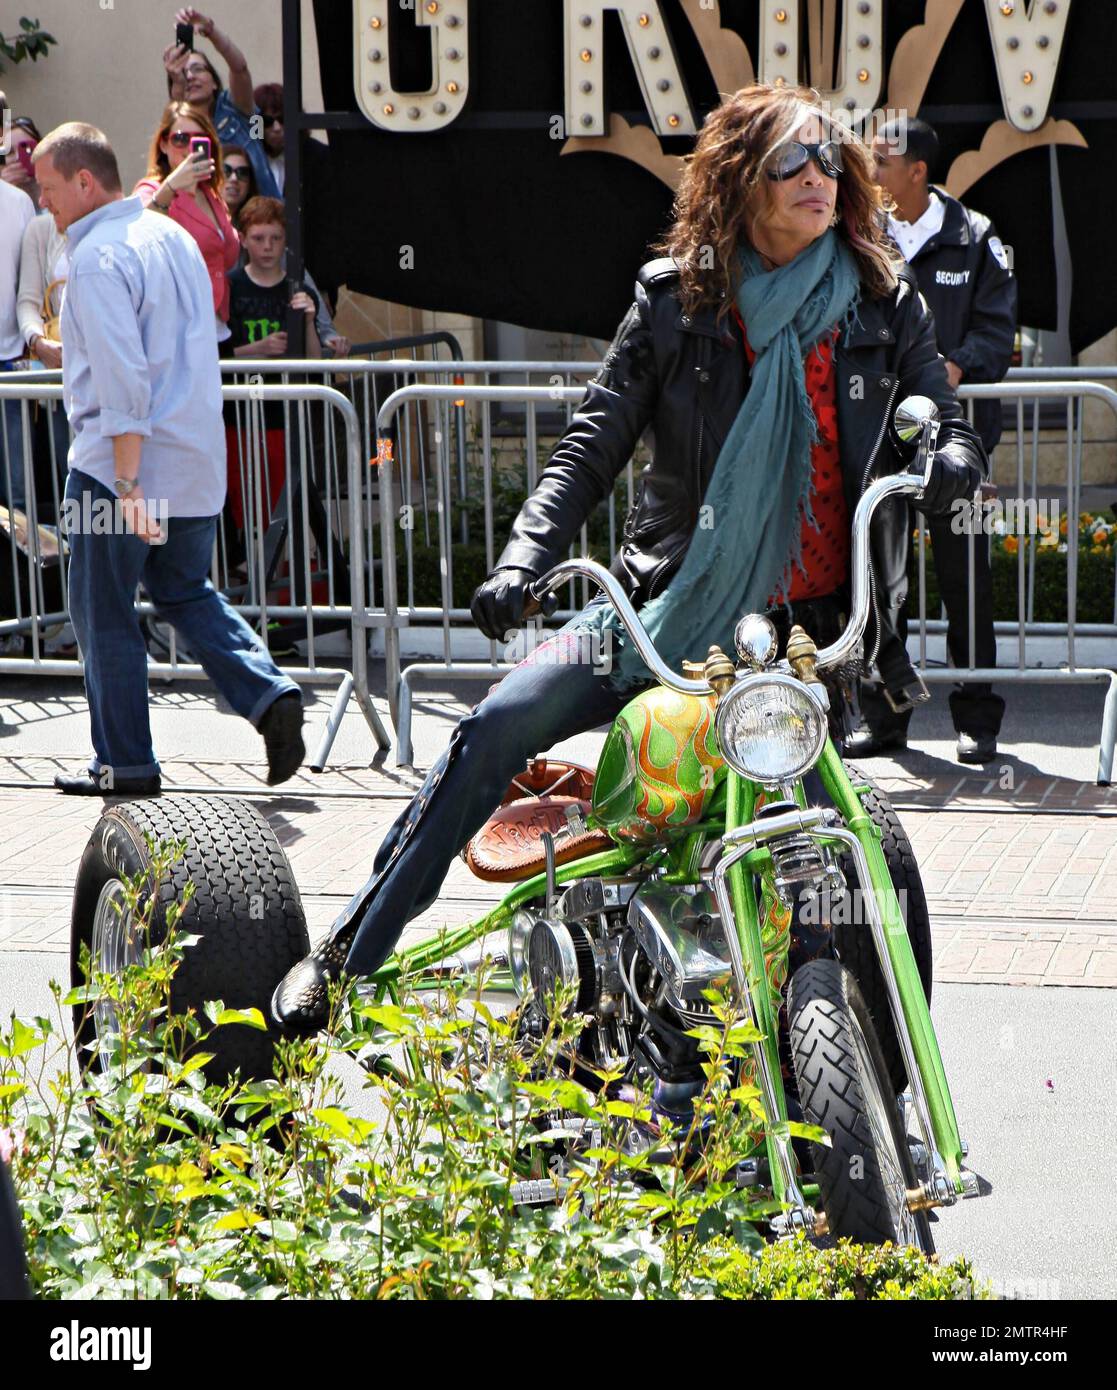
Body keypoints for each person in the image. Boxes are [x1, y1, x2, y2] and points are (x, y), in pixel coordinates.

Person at [270, 83, 986, 1035]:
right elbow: (591, 445)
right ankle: (348, 951)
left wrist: (945, 459)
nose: (816, 175)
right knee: (492, 728)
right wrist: (522, 560)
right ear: (740, 181)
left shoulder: (880, 300)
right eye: (790, 161)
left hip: (800, 648)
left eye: (827, 158)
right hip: (656, 614)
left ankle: (860, 1089)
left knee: (826, 861)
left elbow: (944, 417)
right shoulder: (674, 301)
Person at [32, 122, 306, 796]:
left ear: (85, 181)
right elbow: (187, 343)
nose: (45, 205)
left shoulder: (97, 257)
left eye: (48, 189)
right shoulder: (174, 237)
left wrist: (124, 480)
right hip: (192, 459)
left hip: (120, 471)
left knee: (104, 613)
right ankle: (268, 692)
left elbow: (126, 382)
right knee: (184, 590)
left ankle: (124, 763)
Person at [848, 116, 1017, 764]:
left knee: (965, 584)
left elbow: (1000, 335)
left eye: (880, 160)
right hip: (877, 447)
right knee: (880, 584)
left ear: (916, 171)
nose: (867, 170)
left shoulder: (974, 238)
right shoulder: (858, 234)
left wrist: (955, 363)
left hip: (955, 448)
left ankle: (976, 721)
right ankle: (884, 718)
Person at [223, 195, 319, 533]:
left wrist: (308, 322)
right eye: (259, 238)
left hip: (285, 414)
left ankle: (282, 577)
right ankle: (256, 572)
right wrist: (259, 349)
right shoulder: (229, 287)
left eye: (276, 238)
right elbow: (216, 355)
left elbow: (315, 362)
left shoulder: (299, 289)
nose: (268, 247)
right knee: (246, 500)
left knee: (287, 503)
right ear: (244, 240)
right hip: (240, 415)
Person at [134, 102, 239, 345]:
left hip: (216, 328)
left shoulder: (212, 195)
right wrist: (171, 186)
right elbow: (138, 234)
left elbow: (226, 257)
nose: (188, 147)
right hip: (175, 329)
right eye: (180, 138)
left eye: (200, 139)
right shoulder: (152, 189)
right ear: (163, 144)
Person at [163, 7, 280, 199]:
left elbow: (240, 68)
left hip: (259, 216)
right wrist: (176, 80)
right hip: (209, 220)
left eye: (198, 69)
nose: (190, 76)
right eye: (184, 72)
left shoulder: (234, 108)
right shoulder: (179, 131)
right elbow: (176, 107)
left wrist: (209, 29)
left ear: (215, 83)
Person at [0, 161, 35, 511]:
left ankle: (22, 566)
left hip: (11, 358)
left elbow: (29, 283)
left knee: (17, 491)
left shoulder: (20, 202)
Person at [253, 83, 285, 195]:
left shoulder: (315, 156)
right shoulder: (247, 158)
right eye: (267, 121)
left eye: (282, 119)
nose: (277, 128)